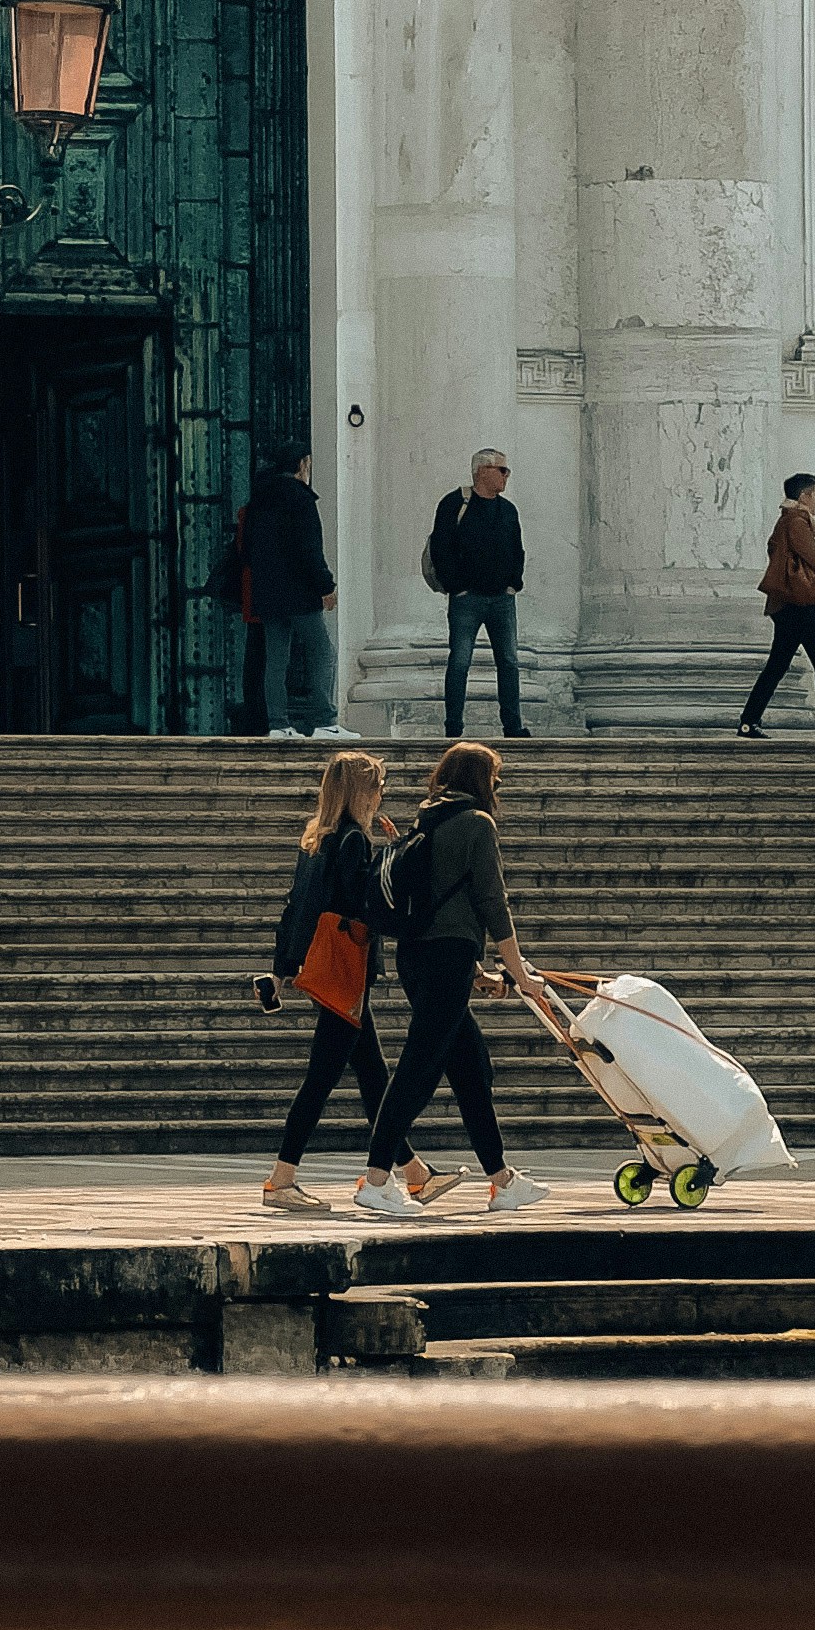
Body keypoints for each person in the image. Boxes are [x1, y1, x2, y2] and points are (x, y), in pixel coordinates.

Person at [353, 741, 549, 1220]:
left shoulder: (429, 818)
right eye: (494, 775)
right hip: (446, 960)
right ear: (482, 779)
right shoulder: (477, 824)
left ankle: (501, 1181)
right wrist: (519, 971)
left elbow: (443, 901)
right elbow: (490, 901)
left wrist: (477, 972)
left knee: (472, 1069)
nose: (498, 784)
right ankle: (377, 1181)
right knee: (418, 1071)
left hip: (420, 958)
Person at [257, 748, 455, 1215]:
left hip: (325, 969)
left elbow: (297, 908)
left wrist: (283, 969)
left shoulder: (316, 839)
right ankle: (281, 1178)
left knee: (372, 1074)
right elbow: (368, 905)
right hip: (346, 970)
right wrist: (398, 855)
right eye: (379, 786)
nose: (382, 793)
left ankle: (414, 1174)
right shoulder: (352, 841)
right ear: (362, 791)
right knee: (321, 1078)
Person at [737, 471, 815, 741]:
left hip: (785, 606)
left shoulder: (785, 521)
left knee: (777, 665)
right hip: (802, 604)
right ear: (803, 496)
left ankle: (748, 722)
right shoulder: (797, 523)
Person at [242, 447, 351, 741]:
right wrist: (326, 587)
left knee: (276, 659)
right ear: (302, 465)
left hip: (268, 593)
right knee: (322, 651)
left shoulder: (258, 502)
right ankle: (325, 721)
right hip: (300, 593)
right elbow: (310, 550)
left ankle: (278, 725)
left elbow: (247, 551)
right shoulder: (301, 500)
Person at [428, 447, 528, 740]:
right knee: (460, 661)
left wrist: (514, 583)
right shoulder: (454, 504)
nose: (506, 476)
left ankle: (512, 726)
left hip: (501, 598)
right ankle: (453, 727)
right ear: (482, 471)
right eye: (502, 469)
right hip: (466, 599)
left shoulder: (508, 509)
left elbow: (517, 548)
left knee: (508, 661)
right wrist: (455, 587)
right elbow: (440, 548)